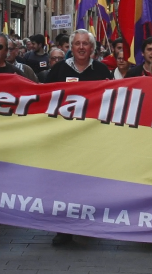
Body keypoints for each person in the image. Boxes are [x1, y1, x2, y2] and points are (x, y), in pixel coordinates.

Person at [46, 29, 110, 245]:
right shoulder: (58, 70)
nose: (81, 47)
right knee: (65, 185)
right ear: (70, 47)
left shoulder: (102, 71)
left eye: (86, 44)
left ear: (92, 48)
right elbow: (46, 99)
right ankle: (63, 229)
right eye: (77, 44)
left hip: (93, 139)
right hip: (65, 140)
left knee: (90, 185)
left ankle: (88, 225)